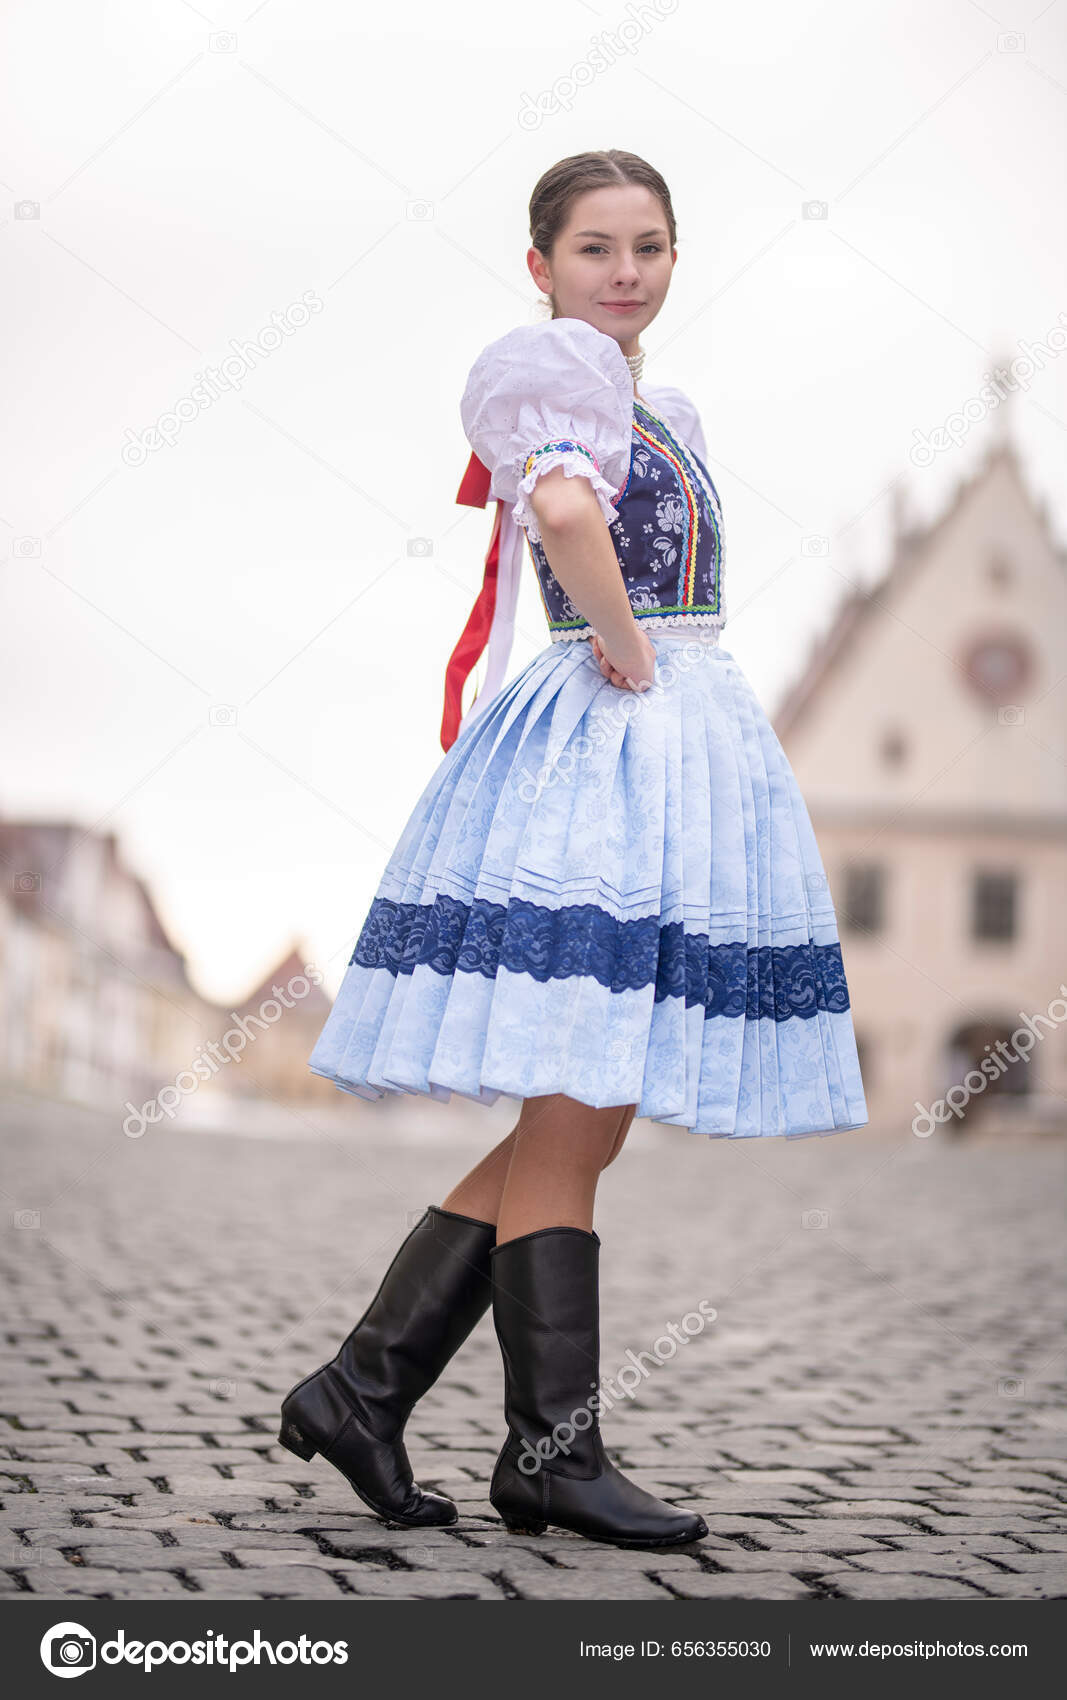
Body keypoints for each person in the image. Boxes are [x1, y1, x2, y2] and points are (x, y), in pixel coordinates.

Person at [280, 149, 868, 1550]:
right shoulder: (558, 373)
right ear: (539, 264)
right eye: (595, 247)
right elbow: (557, 512)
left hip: (656, 746)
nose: (625, 271)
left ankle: (366, 1388)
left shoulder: (665, 403)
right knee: (579, 1106)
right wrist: (624, 653)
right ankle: (545, 1450)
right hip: (614, 745)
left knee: (577, 1107)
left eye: (649, 246)